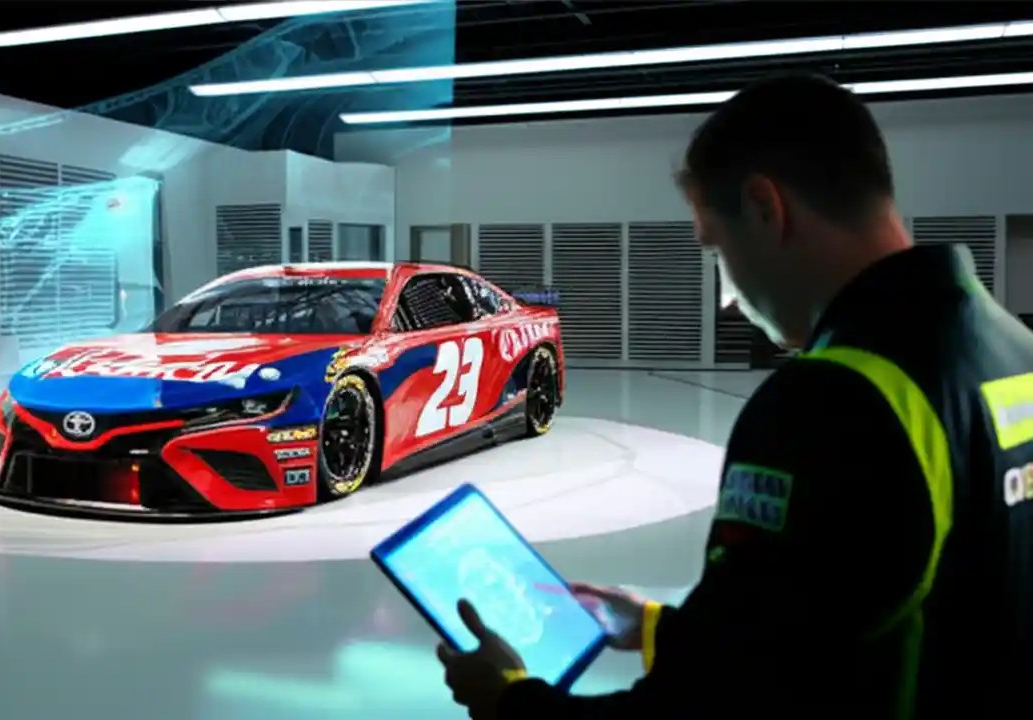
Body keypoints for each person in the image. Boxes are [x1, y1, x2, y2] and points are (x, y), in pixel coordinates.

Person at [437, 73, 1033, 719]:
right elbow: (831, 621)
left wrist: (510, 699)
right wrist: (660, 629)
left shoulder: (831, 403)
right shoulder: (1011, 350)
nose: (727, 298)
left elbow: (708, 707)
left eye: (715, 248)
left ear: (764, 207)